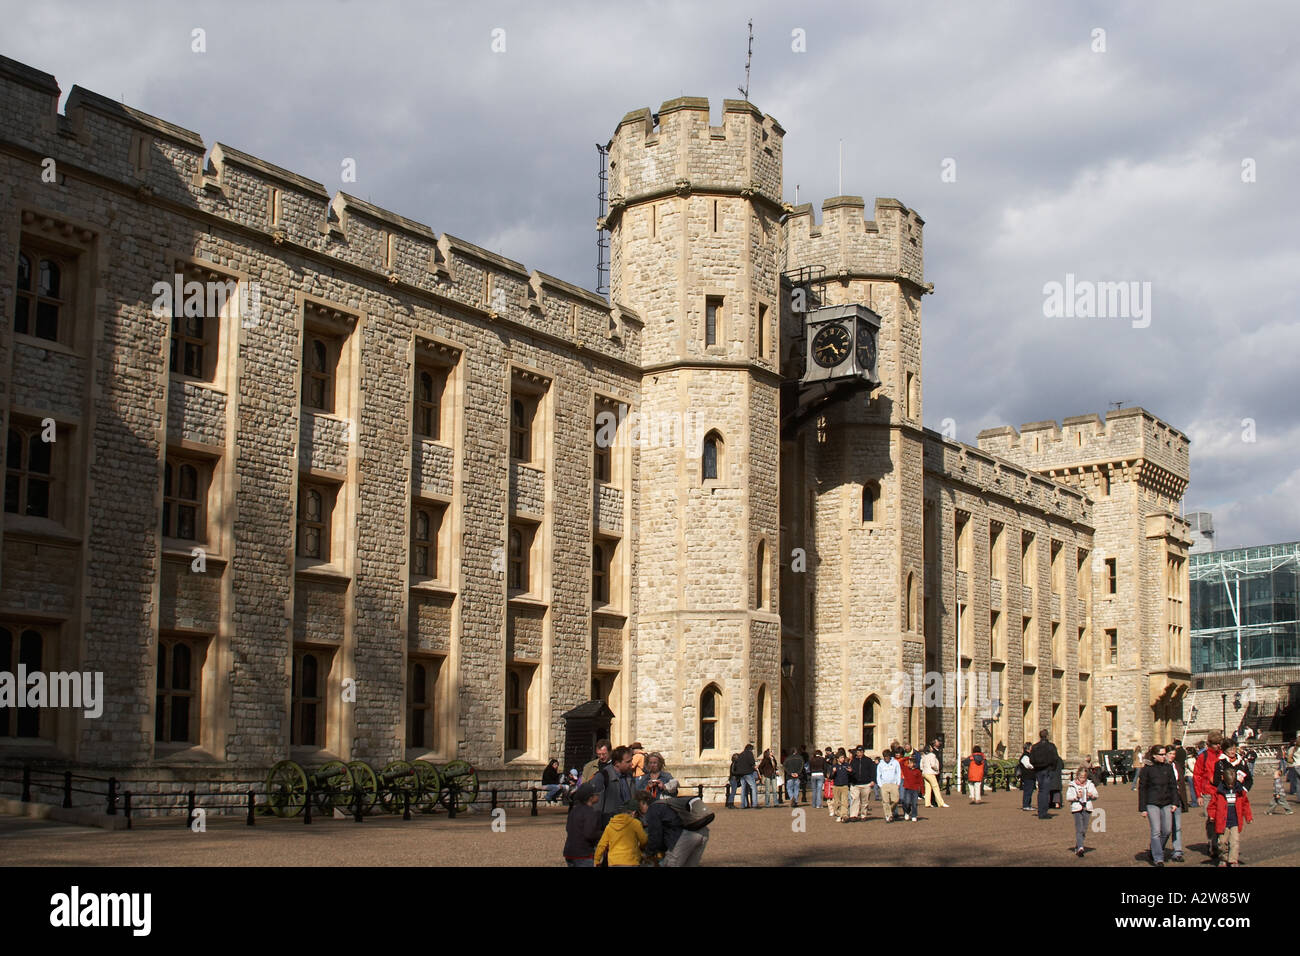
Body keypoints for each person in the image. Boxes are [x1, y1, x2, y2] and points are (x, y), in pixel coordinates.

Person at [1207, 743, 1253, 867]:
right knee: (1222, 842)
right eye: (1230, 749)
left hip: (1235, 820)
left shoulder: (1239, 791)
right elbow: (1212, 805)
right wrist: (1212, 816)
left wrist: (1248, 817)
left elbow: (1245, 804)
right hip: (1223, 820)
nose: (1232, 751)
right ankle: (1224, 857)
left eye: (1234, 749)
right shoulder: (1219, 791)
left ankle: (1233, 860)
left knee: (1235, 841)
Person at [1138, 744, 1177, 867]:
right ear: (1154, 756)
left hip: (1166, 802)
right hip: (1152, 802)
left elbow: (1173, 786)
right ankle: (1158, 857)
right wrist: (1143, 808)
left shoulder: (1168, 767)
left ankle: (1155, 849)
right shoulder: (1147, 770)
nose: (1164, 756)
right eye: (1161, 754)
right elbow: (1142, 788)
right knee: (1156, 831)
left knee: (1167, 830)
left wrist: (1175, 802)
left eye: (1164, 754)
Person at [1194, 730, 1226, 862]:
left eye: (1220, 743)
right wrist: (1198, 795)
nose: (1218, 746)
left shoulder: (1223, 755)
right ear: (1209, 744)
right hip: (1208, 792)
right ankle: (1212, 844)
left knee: (1223, 818)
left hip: (1221, 792)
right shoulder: (1204, 756)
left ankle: (1221, 843)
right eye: (1216, 744)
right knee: (1211, 819)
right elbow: (1197, 775)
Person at [590, 745, 637, 831]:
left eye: (631, 760)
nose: (632, 764)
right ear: (617, 763)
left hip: (628, 828)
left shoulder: (630, 777)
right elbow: (596, 809)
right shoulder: (602, 777)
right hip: (610, 829)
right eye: (628, 761)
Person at [594, 798, 648, 867]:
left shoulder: (610, 825)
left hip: (613, 862)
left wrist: (596, 860)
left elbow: (601, 845)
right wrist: (640, 848)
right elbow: (644, 840)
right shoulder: (635, 823)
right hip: (631, 861)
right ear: (634, 812)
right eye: (637, 815)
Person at [638, 790, 682, 865]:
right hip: (689, 835)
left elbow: (655, 836)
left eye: (639, 808)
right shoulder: (660, 804)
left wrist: (648, 852)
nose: (640, 811)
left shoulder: (653, 810)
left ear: (643, 803)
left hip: (677, 841)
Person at [562, 784, 602, 866]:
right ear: (591, 798)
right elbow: (589, 833)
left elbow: (568, 828)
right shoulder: (590, 812)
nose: (598, 795)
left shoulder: (574, 810)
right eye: (596, 794)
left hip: (569, 851)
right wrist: (602, 833)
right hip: (583, 853)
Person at [1067, 766, 1099, 858]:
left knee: (1084, 829)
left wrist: (1091, 795)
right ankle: (1081, 847)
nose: (1082, 779)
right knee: (1079, 828)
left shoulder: (1090, 784)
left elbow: (1096, 795)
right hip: (1076, 808)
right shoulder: (1072, 784)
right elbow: (1068, 797)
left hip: (1087, 808)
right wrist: (1076, 796)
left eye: (1083, 777)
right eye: (1080, 777)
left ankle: (1078, 844)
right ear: (1077, 776)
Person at [1029, 731, 1059, 819]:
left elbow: (1031, 760)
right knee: (1045, 792)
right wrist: (1052, 768)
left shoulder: (1035, 747)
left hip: (1038, 771)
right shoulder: (1051, 746)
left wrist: (1036, 766)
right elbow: (1055, 759)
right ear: (1047, 736)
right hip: (1047, 770)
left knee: (1041, 791)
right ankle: (1043, 813)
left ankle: (1041, 811)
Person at [1166, 743, 1188, 863]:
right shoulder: (1161, 766)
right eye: (1170, 754)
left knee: (1177, 827)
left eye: (1174, 754)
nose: (1172, 756)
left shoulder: (1176, 765)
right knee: (1165, 829)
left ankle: (1177, 851)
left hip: (1177, 798)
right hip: (1165, 800)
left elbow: (1181, 783)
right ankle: (1156, 848)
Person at [850, 745, 876, 818]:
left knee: (865, 801)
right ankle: (853, 815)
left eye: (860, 752)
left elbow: (873, 771)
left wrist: (873, 780)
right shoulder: (853, 761)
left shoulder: (868, 760)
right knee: (855, 799)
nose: (859, 753)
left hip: (866, 783)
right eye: (858, 752)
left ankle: (863, 814)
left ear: (863, 752)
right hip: (855, 783)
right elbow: (850, 771)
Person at [877, 747, 902, 822]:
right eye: (885, 757)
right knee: (885, 801)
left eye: (887, 757)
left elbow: (898, 773)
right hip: (884, 784)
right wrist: (880, 785)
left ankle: (890, 811)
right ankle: (888, 815)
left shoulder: (895, 763)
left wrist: (898, 783)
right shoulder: (880, 764)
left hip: (893, 784)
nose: (886, 758)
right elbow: (878, 775)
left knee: (895, 800)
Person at [920, 743, 948, 809]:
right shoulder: (932, 755)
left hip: (924, 773)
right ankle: (941, 803)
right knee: (936, 787)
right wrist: (936, 769)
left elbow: (921, 766)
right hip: (930, 773)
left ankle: (927, 803)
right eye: (930, 747)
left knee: (928, 788)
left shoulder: (923, 756)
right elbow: (933, 765)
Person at [900, 750, 923, 820]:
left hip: (915, 789)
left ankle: (914, 815)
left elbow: (920, 781)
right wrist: (907, 758)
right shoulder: (906, 769)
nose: (909, 764)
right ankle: (907, 812)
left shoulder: (917, 771)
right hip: (907, 788)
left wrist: (922, 791)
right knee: (906, 802)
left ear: (914, 764)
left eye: (910, 763)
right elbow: (901, 763)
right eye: (908, 763)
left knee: (914, 803)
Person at [735, 743, 759, 809]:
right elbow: (752, 763)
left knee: (743, 789)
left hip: (741, 774)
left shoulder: (741, 754)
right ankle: (754, 804)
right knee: (753, 787)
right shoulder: (749, 754)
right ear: (750, 749)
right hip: (748, 773)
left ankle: (744, 804)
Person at [831, 750, 852, 822]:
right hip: (836, 786)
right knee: (837, 802)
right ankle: (839, 814)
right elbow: (830, 777)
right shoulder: (834, 766)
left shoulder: (846, 765)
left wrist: (850, 771)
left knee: (845, 801)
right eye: (841, 757)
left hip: (844, 786)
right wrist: (833, 772)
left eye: (843, 757)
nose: (843, 759)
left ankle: (844, 815)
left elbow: (851, 775)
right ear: (837, 759)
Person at [1018, 742, 1036, 811]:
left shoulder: (1029, 755)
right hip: (1027, 776)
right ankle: (1026, 805)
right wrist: (1035, 766)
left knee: (1030, 791)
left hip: (1030, 776)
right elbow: (1028, 765)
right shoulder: (1025, 756)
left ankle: (1028, 804)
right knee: (1028, 791)